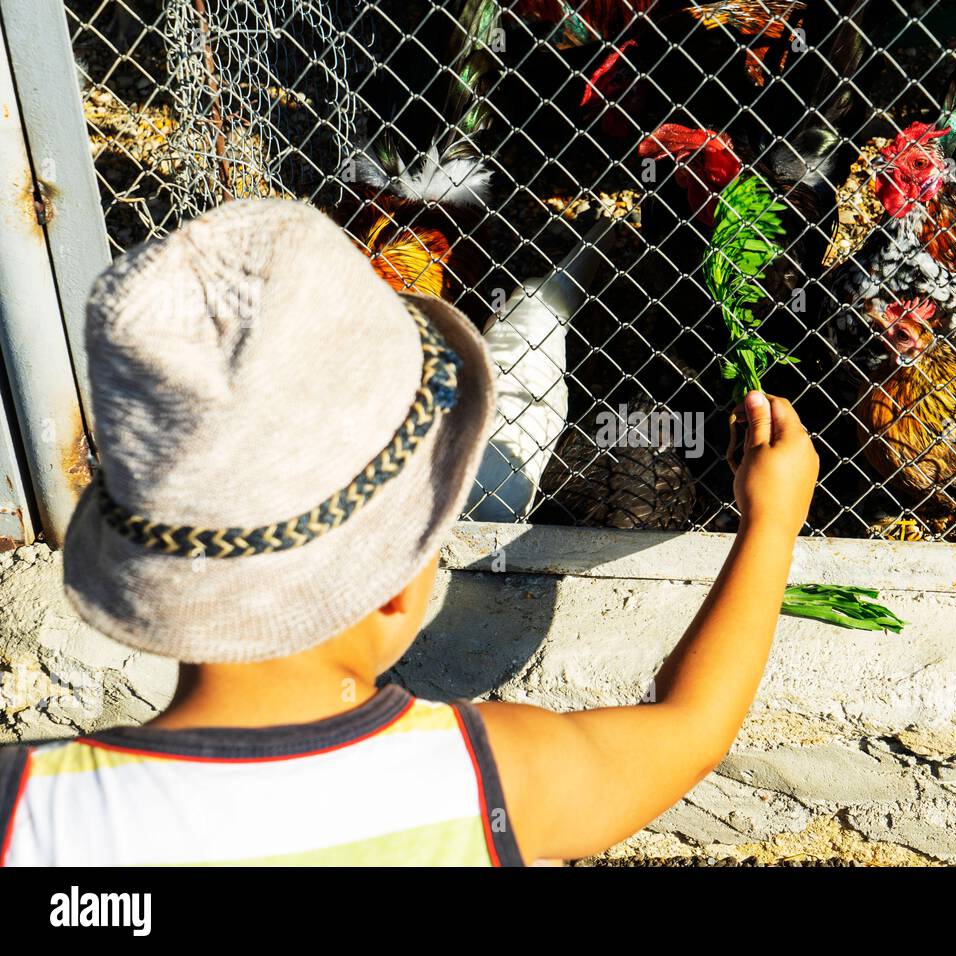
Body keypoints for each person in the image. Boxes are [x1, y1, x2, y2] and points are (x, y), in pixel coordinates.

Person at [0, 199, 818, 866]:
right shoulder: (484, 783)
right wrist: (771, 526)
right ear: (396, 587)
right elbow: (689, 729)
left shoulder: (29, 814)